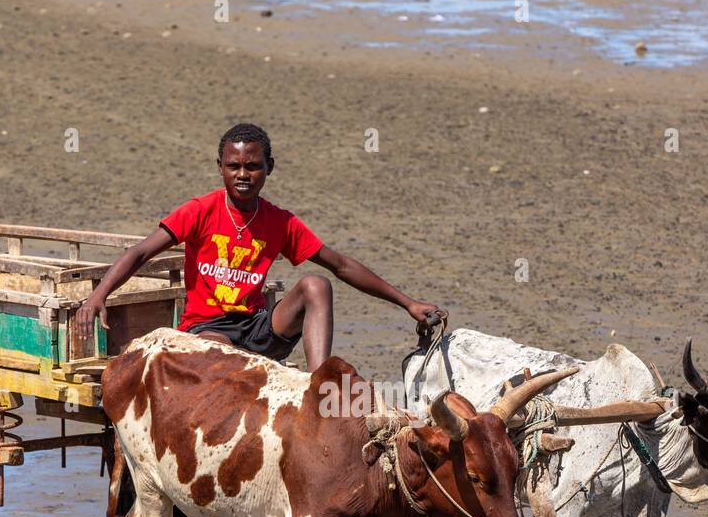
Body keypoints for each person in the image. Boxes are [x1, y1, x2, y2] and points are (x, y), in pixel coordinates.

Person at [73, 122, 446, 366]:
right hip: (206, 330)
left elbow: (341, 264)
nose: (243, 175)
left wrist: (408, 303)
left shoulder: (280, 221)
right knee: (224, 352)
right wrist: (98, 295)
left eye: (253, 166)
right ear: (220, 166)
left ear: (269, 167)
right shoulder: (200, 210)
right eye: (234, 166)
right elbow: (140, 251)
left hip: (256, 327)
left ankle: (318, 386)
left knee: (317, 284)